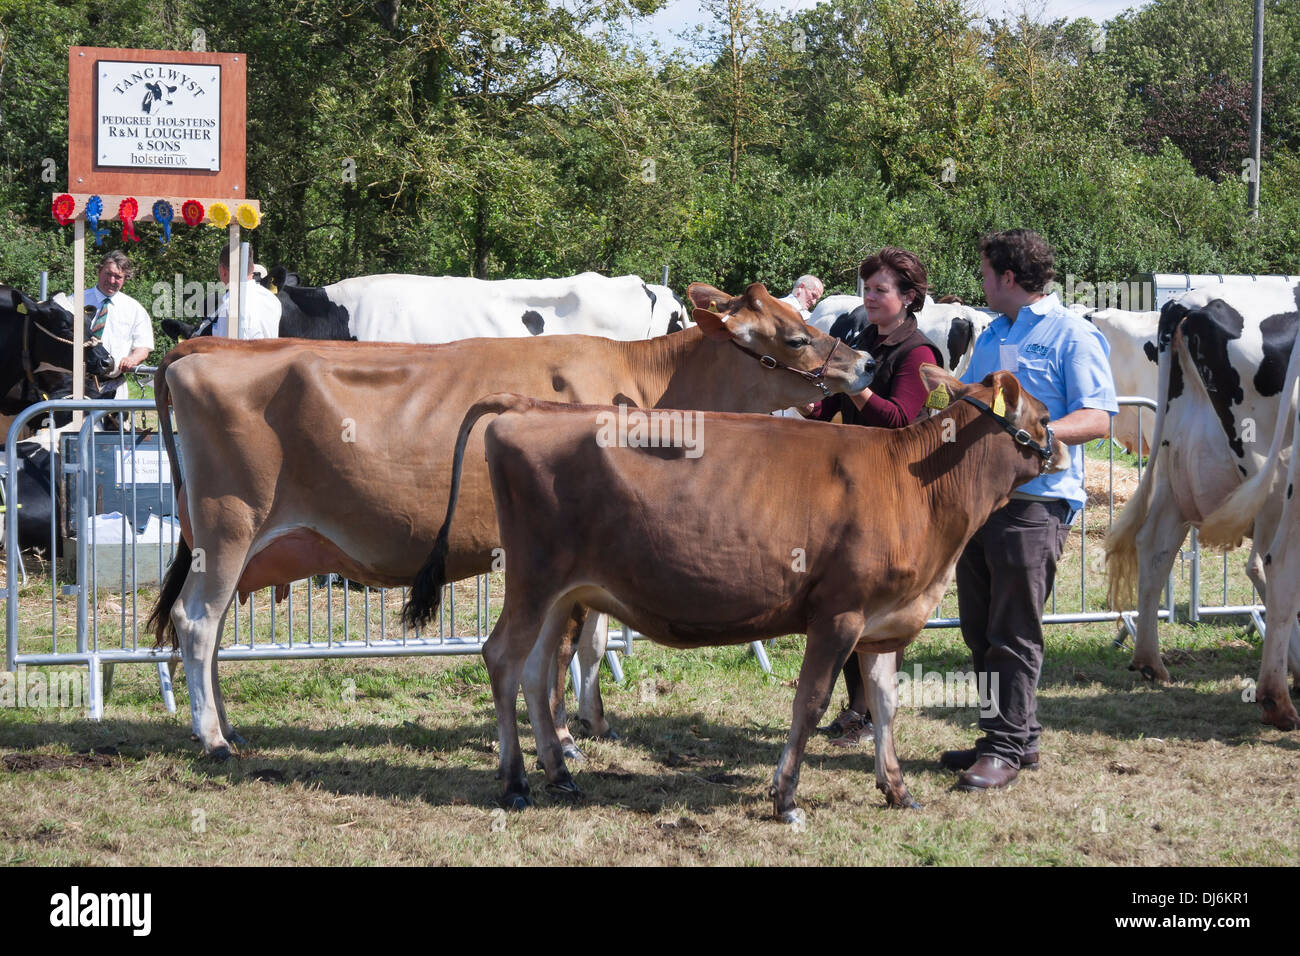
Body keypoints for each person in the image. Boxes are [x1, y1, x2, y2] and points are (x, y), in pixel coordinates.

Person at [944, 229, 1116, 791]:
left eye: (986, 273)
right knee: (979, 628)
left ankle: (1003, 748)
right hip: (983, 502)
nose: (981, 282)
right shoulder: (993, 334)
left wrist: (1037, 435)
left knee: (1013, 629)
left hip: (1036, 506)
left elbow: (1098, 418)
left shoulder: (1074, 335)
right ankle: (1016, 735)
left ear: (1008, 278)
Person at [809, 247, 942, 746]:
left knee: (880, 607)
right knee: (848, 600)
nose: (869, 297)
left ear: (908, 297)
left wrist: (857, 386)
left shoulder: (920, 353)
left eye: (880, 290)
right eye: (866, 288)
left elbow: (901, 420)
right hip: (854, 487)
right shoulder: (861, 338)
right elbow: (828, 411)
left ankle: (867, 713)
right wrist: (810, 407)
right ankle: (856, 708)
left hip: (896, 490)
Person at [84, 251, 153, 380]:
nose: (111, 280)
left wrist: (132, 359)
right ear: (99, 271)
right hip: (76, 385)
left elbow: (143, 347)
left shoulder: (135, 309)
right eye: (108, 274)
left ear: (125, 278)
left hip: (114, 386)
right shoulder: (76, 301)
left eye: (118, 277)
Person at [213, 242, 282, 339]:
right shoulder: (273, 300)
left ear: (222, 270)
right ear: (253, 267)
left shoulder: (231, 306)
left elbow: (225, 351)